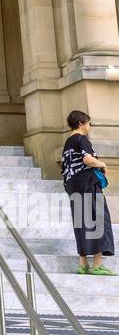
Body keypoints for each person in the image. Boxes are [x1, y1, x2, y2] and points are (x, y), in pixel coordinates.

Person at [61, 110, 115, 275]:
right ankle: (97, 264)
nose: (89, 126)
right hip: (88, 184)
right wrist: (102, 163)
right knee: (99, 220)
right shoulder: (81, 139)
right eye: (88, 123)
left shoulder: (68, 142)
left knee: (81, 222)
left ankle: (83, 263)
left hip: (73, 186)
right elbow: (87, 159)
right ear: (81, 124)